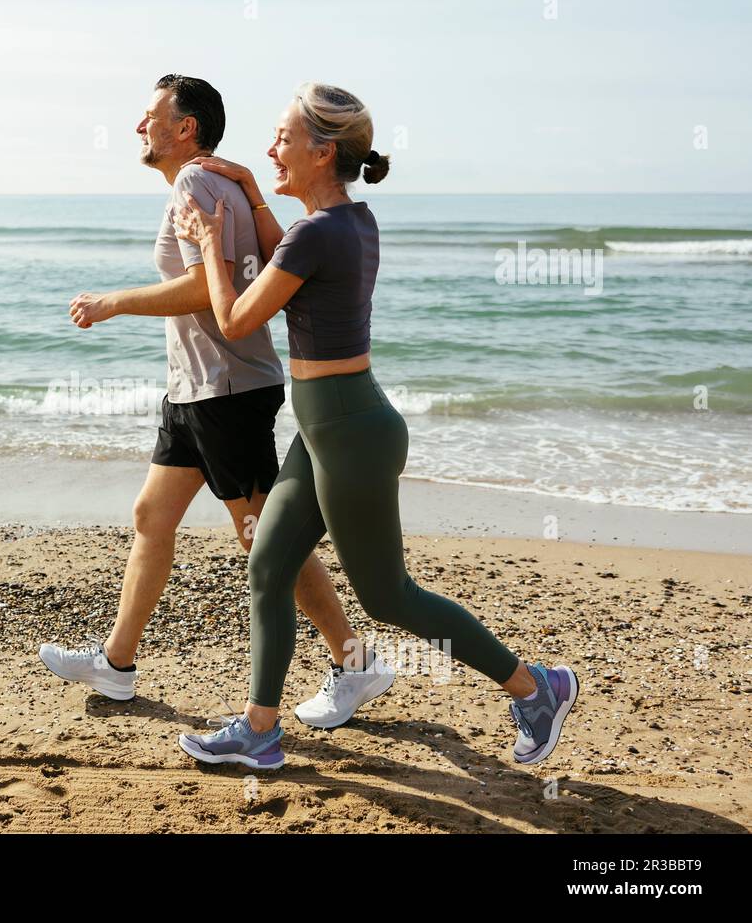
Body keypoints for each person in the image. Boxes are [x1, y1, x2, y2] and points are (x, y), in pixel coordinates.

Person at [172, 82, 578, 770]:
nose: (270, 148)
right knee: (267, 567)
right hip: (331, 430)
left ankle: (537, 687)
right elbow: (285, 256)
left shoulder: (317, 233)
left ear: (322, 152)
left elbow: (238, 317)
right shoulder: (347, 223)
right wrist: (249, 183)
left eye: (282, 138)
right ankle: (260, 729)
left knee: (388, 597)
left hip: (350, 438)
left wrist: (209, 244)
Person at [39, 75, 395, 724]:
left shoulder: (197, 186)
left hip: (227, 390)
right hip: (196, 387)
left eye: (151, 116)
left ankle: (356, 663)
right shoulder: (212, 184)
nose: (139, 127)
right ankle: (117, 665)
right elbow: (264, 261)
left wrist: (114, 302)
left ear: (187, 128)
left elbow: (213, 286)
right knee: (153, 515)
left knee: (267, 543)